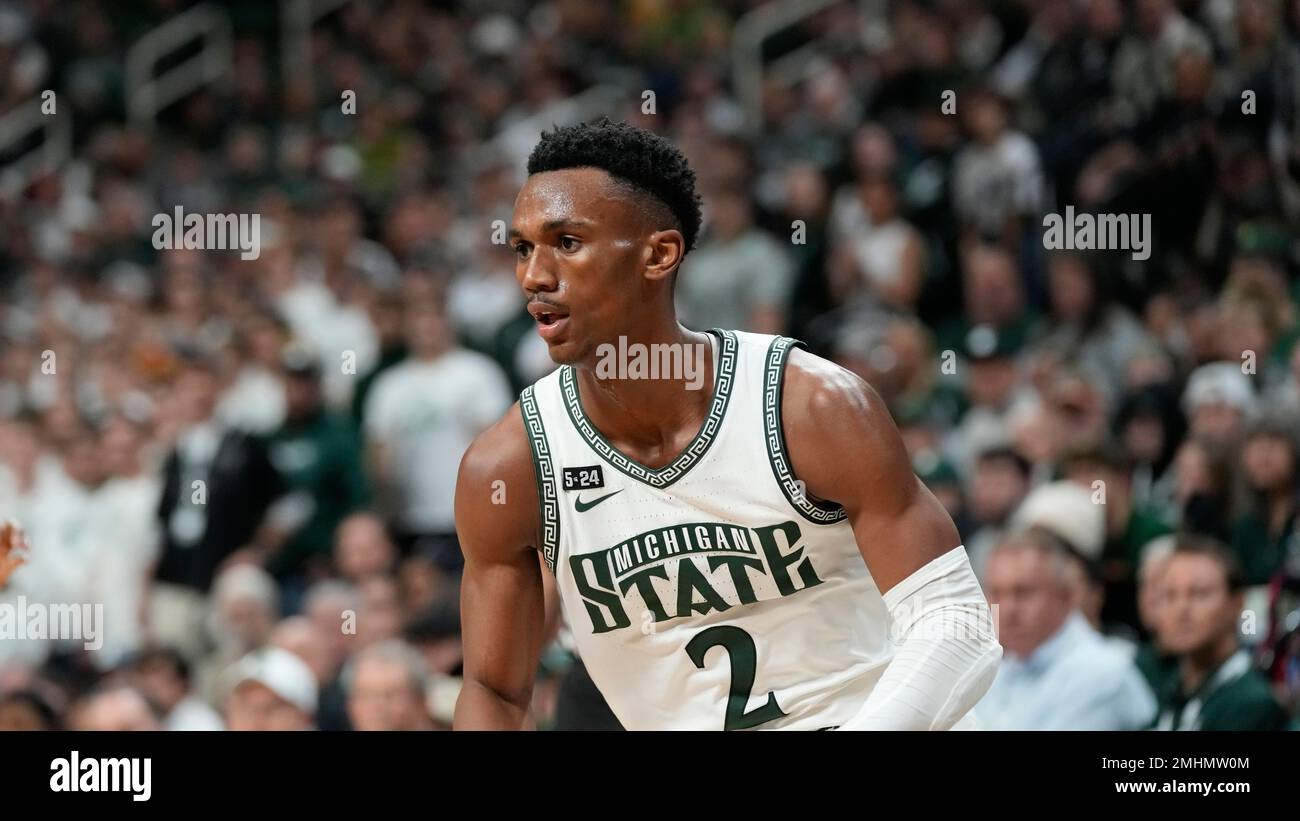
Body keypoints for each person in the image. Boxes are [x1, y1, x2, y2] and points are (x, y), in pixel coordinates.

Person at [453, 119, 1001, 731]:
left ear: (659, 254)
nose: (534, 276)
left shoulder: (807, 404)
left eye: (568, 242)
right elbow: (493, 693)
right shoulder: (507, 467)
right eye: (523, 248)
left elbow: (957, 623)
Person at [978, 531, 1156, 730]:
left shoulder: (1101, 673)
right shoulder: (994, 667)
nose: (1008, 609)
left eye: (1024, 593)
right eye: (996, 593)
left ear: (1065, 595)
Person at [1148, 536, 1290, 731]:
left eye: (1199, 593)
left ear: (1237, 603)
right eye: (1169, 595)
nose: (1181, 609)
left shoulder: (1252, 705)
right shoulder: (1167, 688)